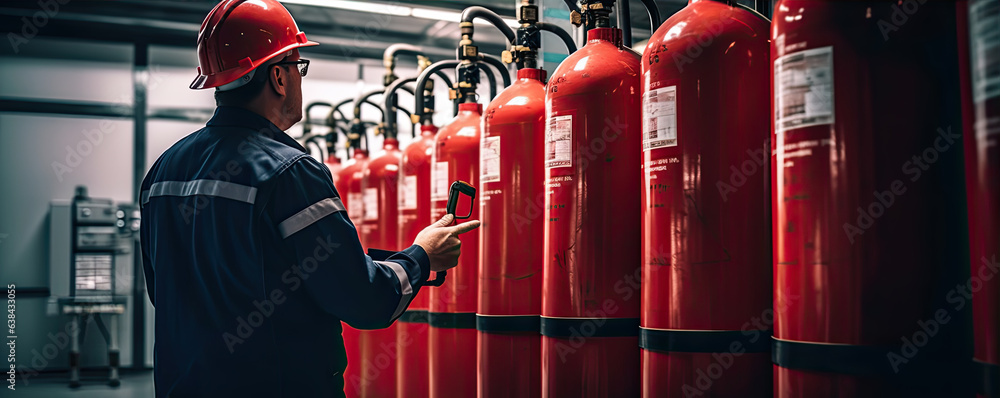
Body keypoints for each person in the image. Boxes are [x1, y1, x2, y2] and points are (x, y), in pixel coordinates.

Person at [139, 1, 479, 396]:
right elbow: (364, 300)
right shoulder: (290, 173)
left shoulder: (162, 173)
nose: (300, 79)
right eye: (299, 66)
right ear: (279, 76)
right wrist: (422, 256)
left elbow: (166, 291)